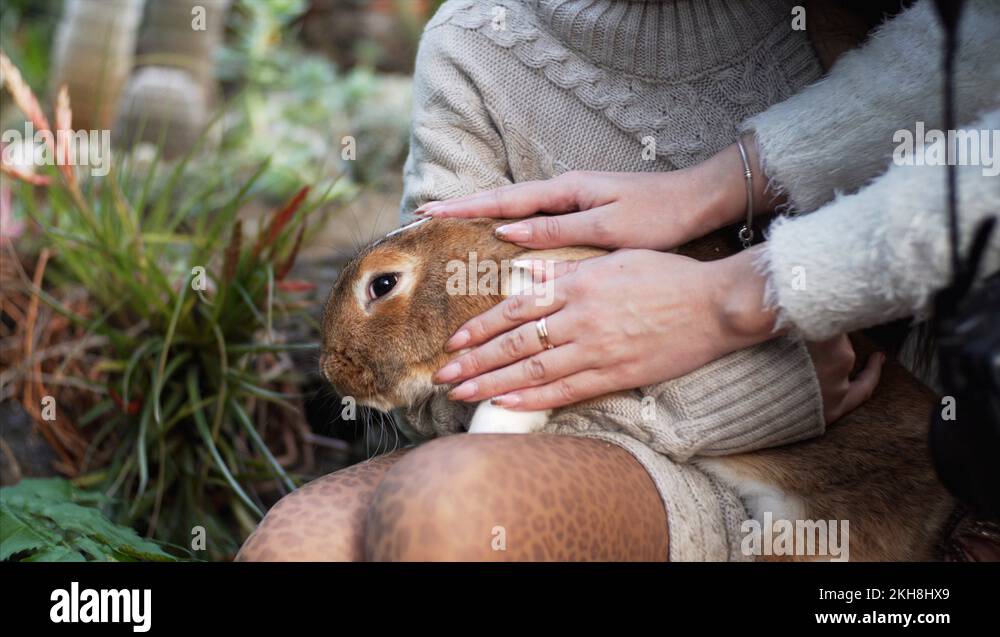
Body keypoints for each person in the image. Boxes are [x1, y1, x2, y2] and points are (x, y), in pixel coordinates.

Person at [238, 0, 960, 561]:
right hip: (625, 445)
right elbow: (433, 397)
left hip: (825, 476)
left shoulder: (863, 28)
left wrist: (742, 333)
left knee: (449, 503)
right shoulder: (475, 39)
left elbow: (918, 274)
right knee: (294, 545)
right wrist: (750, 392)